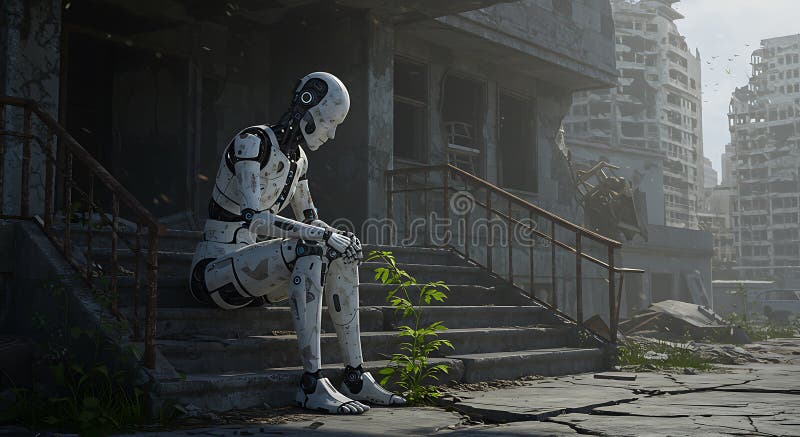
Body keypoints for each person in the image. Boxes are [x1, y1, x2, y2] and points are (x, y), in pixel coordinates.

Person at [188, 72, 405, 414]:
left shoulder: (299, 162)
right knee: (311, 247)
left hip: (255, 277)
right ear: (308, 107)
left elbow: (309, 220)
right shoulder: (252, 143)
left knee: (340, 254)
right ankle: (311, 382)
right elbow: (256, 219)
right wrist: (322, 235)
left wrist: (340, 237)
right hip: (216, 271)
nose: (331, 134)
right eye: (329, 123)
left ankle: (354, 375)